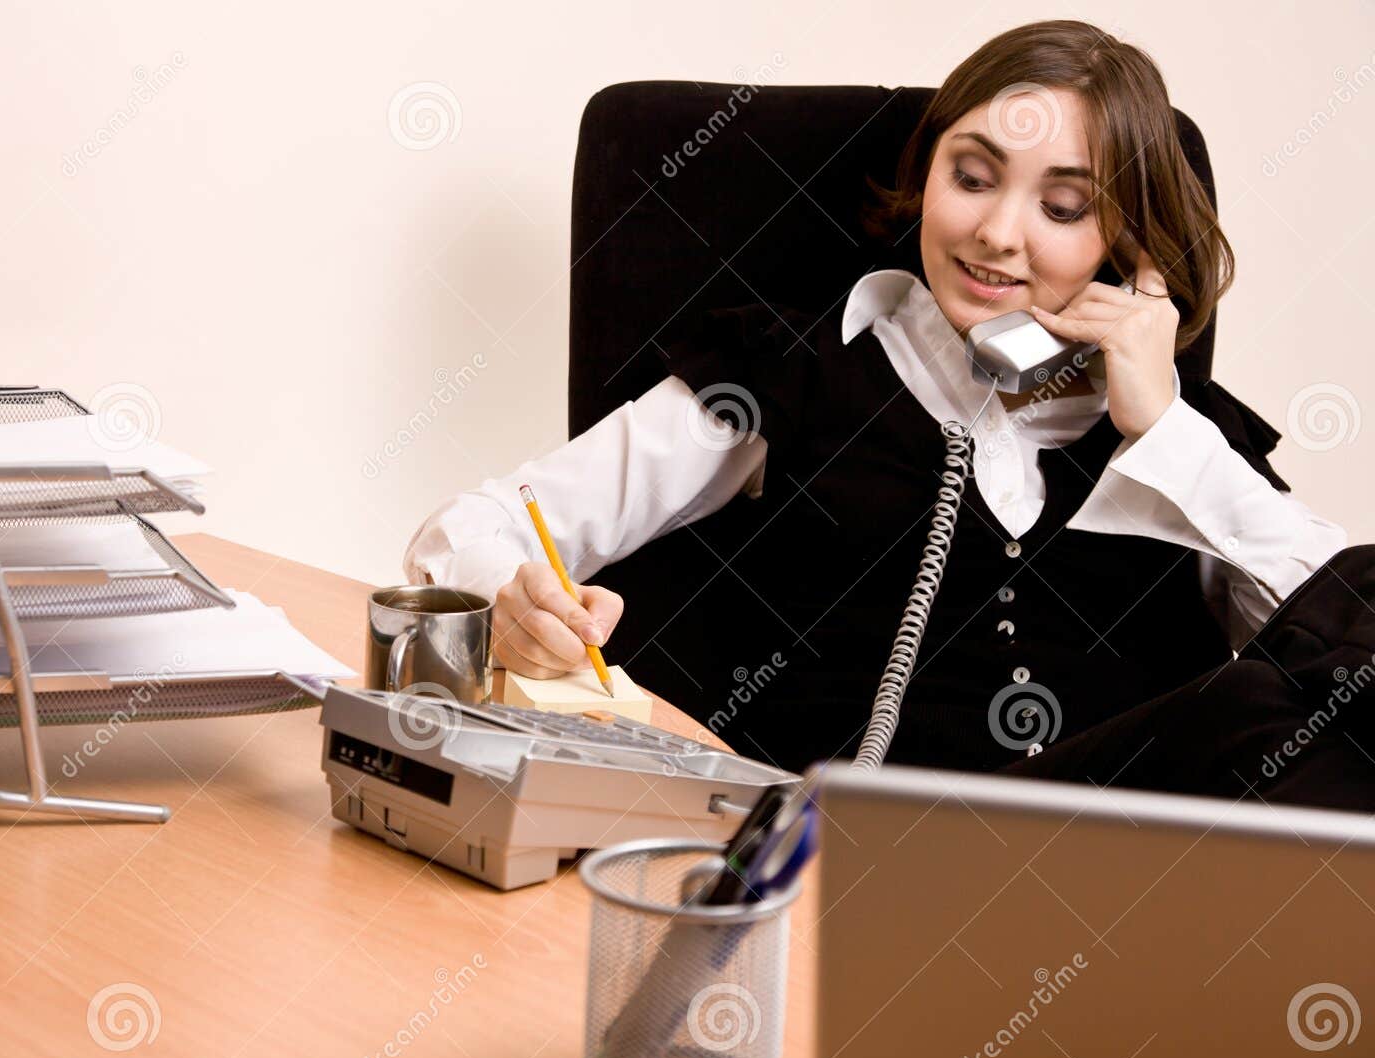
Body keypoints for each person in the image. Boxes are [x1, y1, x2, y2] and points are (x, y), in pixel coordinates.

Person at [402, 20, 1368, 807]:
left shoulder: (1180, 439)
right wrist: (514, 602)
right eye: (974, 177)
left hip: (1103, 896)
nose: (996, 232)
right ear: (926, 173)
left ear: (1125, 248)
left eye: (1063, 208)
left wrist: (1161, 428)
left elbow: (1344, 652)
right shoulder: (796, 368)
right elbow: (465, 530)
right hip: (837, 863)